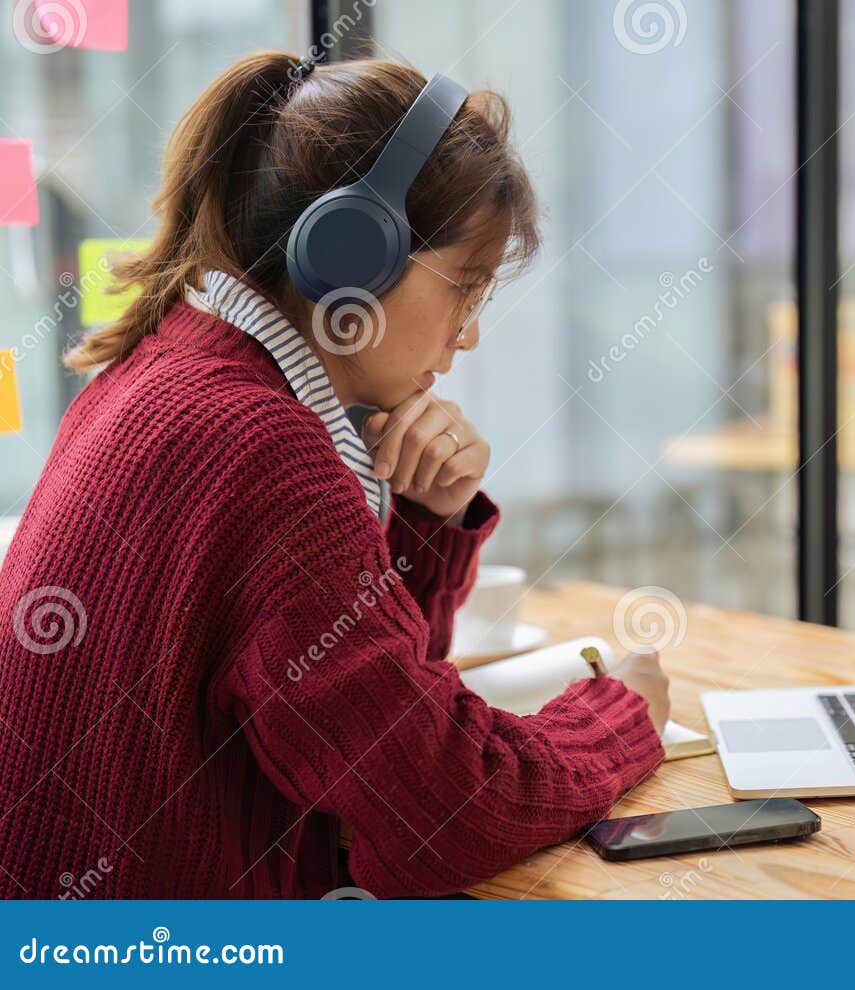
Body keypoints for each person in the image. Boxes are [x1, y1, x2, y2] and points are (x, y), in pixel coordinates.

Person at [0, 52, 670, 898]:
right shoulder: (261, 450)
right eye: (464, 287)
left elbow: (363, 736)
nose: (467, 336)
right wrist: (624, 717)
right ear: (349, 254)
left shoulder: (161, 367)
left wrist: (425, 520)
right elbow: (451, 810)